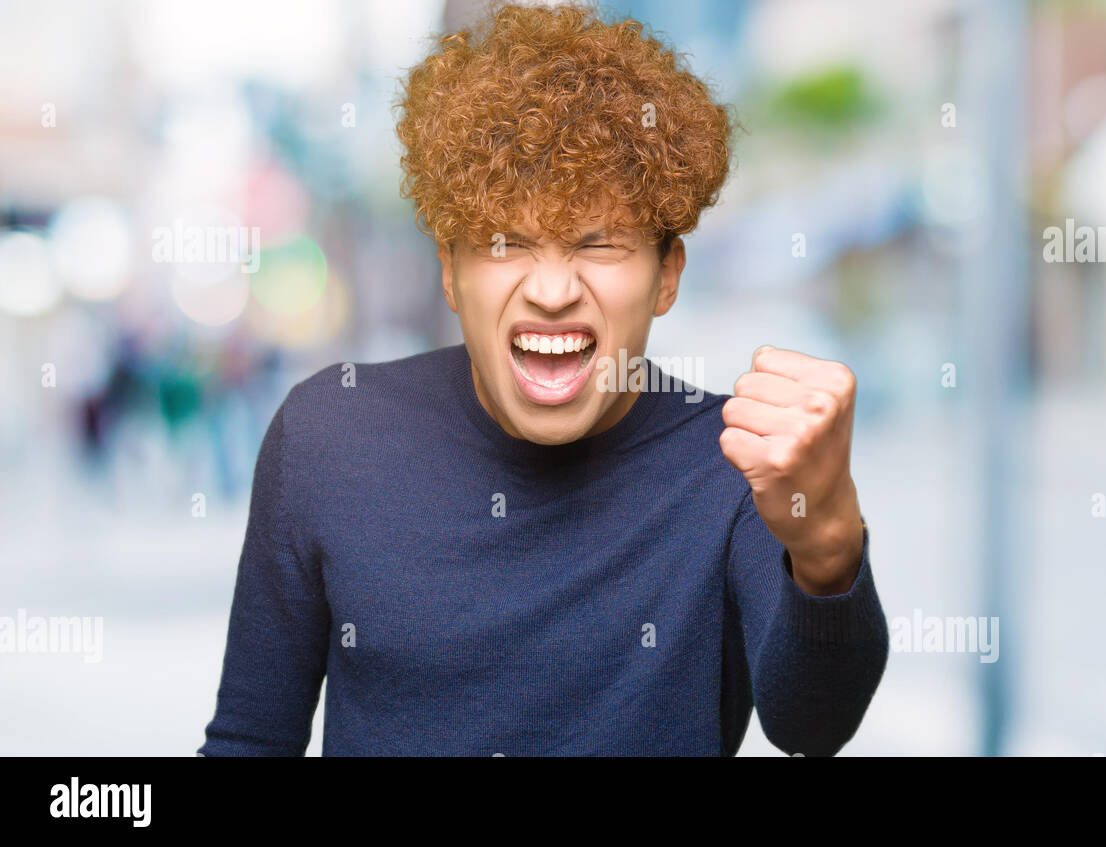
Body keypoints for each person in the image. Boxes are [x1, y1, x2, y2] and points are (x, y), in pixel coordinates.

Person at [199, 1, 888, 757]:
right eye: (506, 242)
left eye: (600, 243)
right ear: (451, 275)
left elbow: (812, 725)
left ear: (667, 277)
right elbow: (248, 742)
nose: (553, 288)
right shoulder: (329, 435)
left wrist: (826, 544)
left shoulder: (734, 465)